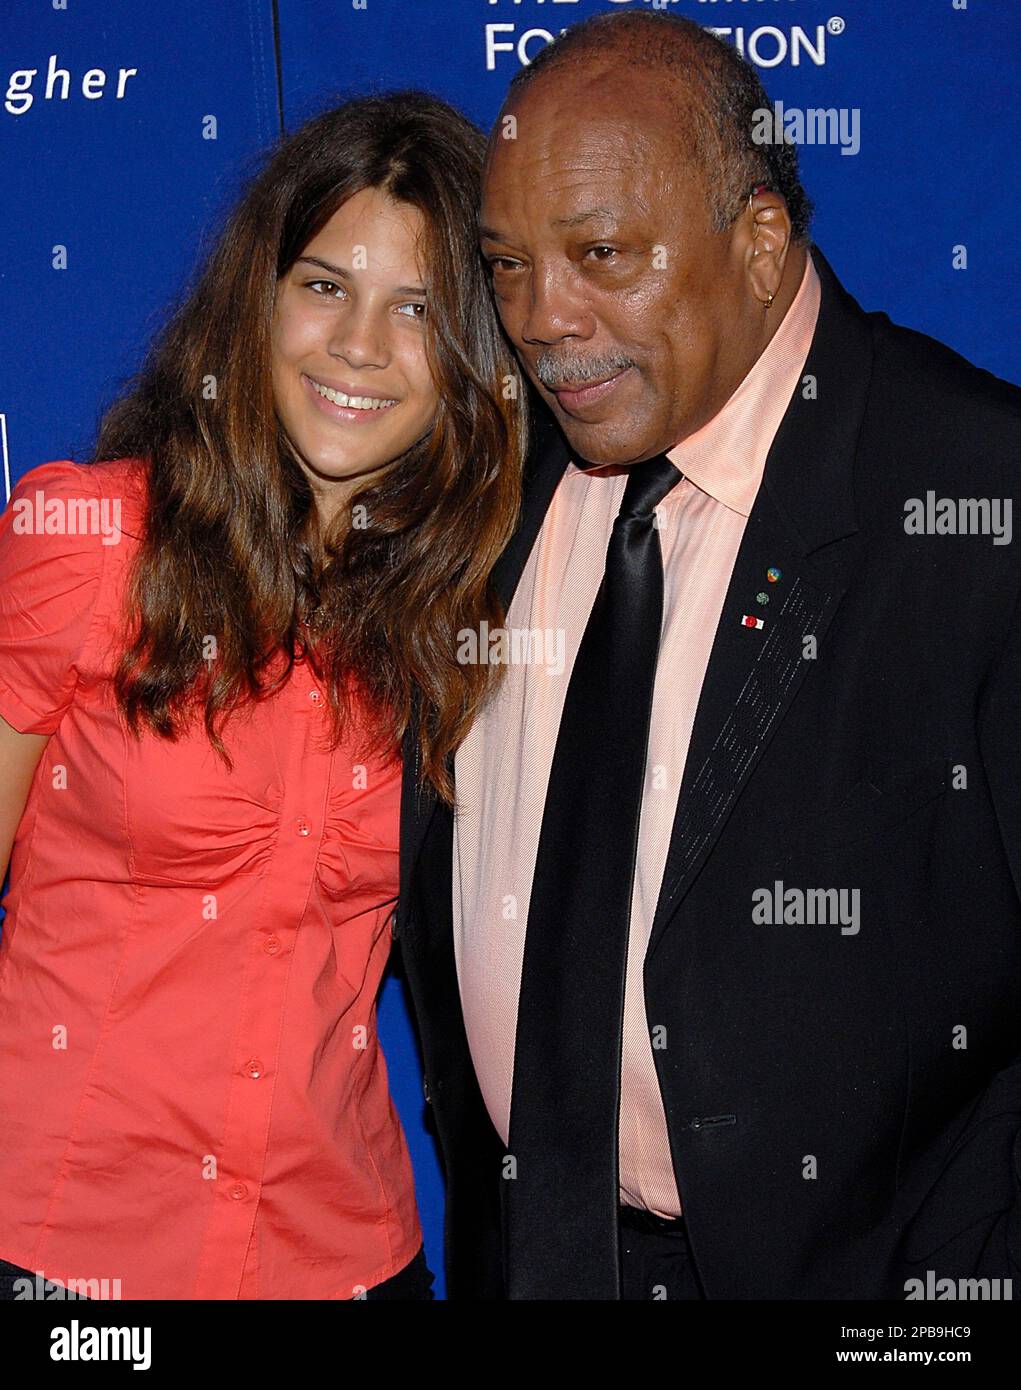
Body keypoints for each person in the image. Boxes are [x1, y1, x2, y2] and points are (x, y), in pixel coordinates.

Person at [396, 12, 1021, 1299]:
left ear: (758, 242)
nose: (542, 319)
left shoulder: (971, 493)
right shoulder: (479, 474)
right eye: (506, 264)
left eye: (602, 254)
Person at [0, 91, 526, 1300]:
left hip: (338, 1253)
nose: (359, 346)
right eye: (325, 285)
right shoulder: (88, 543)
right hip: (67, 1253)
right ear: (260, 296)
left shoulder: (471, 624)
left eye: (417, 310)